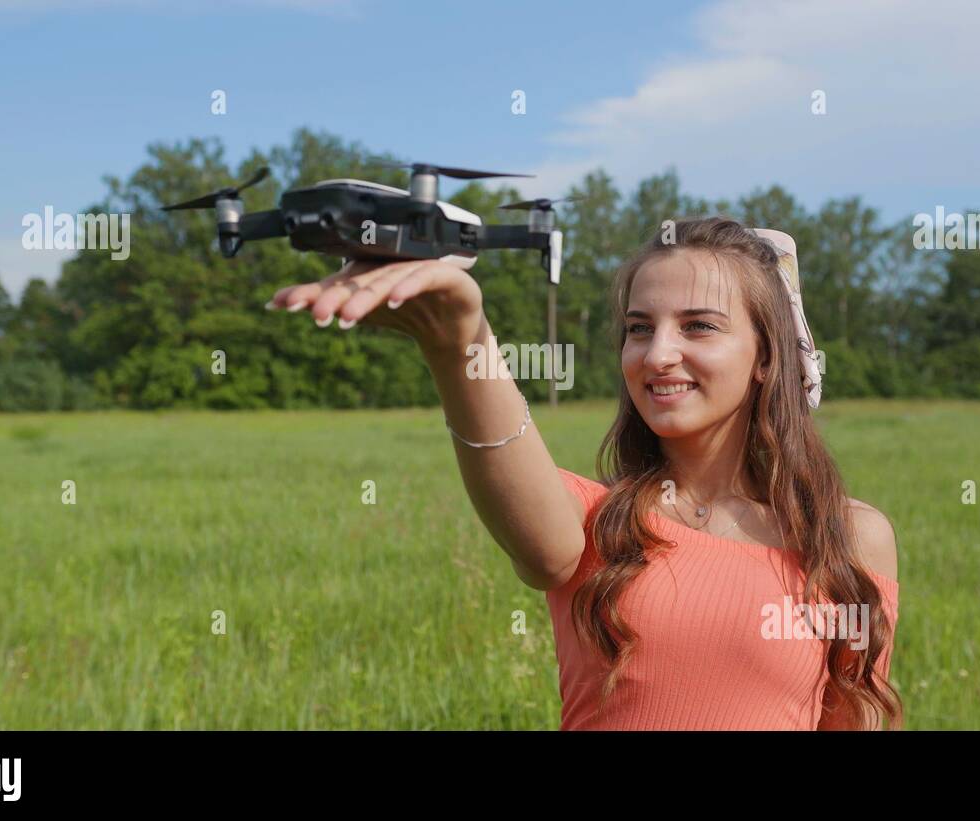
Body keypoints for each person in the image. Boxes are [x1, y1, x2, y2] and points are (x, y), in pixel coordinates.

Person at [266, 215, 901, 730]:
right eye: (638, 328)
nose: (657, 354)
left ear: (768, 356)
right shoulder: (596, 521)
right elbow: (533, 529)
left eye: (699, 326)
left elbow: (855, 721)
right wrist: (458, 337)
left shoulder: (846, 537)